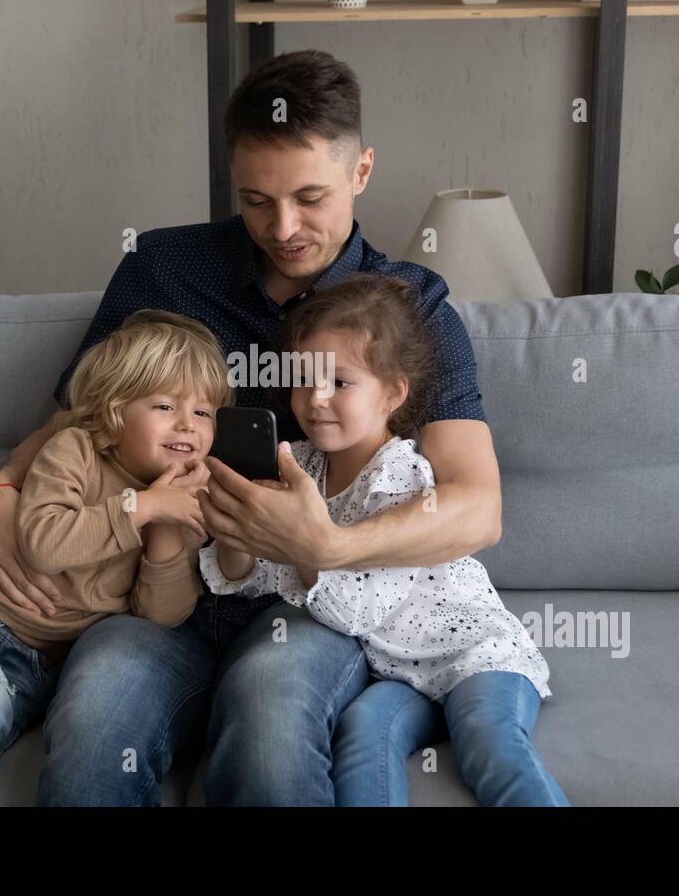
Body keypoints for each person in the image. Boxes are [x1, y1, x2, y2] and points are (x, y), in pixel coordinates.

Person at [0, 49, 507, 805]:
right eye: (257, 201)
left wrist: (331, 545)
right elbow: (77, 419)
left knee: (270, 733)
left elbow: (477, 505)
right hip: (152, 593)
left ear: (361, 172)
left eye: (310, 198)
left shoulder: (411, 309)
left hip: (308, 604)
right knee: (93, 723)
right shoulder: (164, 268)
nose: (283, 228)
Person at [200, 275, 569, 807]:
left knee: (491, 745)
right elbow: (251, 576)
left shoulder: (398, 475)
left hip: (477, 655)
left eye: (340, 383)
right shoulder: (299, 464)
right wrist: (235, 528)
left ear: (392, 394)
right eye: (303, 379)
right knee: (363, 740)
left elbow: (354, 610)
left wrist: (302, 542)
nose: (315, 399)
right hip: (399, 672)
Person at [0, 311, 227, 805]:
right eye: (165, 405)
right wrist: (139, 508)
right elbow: (45, 544)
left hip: (34, 669)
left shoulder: (182, 498)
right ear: (114, 412)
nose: (188, 424)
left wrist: (165, 533)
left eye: (205, 413)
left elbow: (157, 616)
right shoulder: (75, 450)